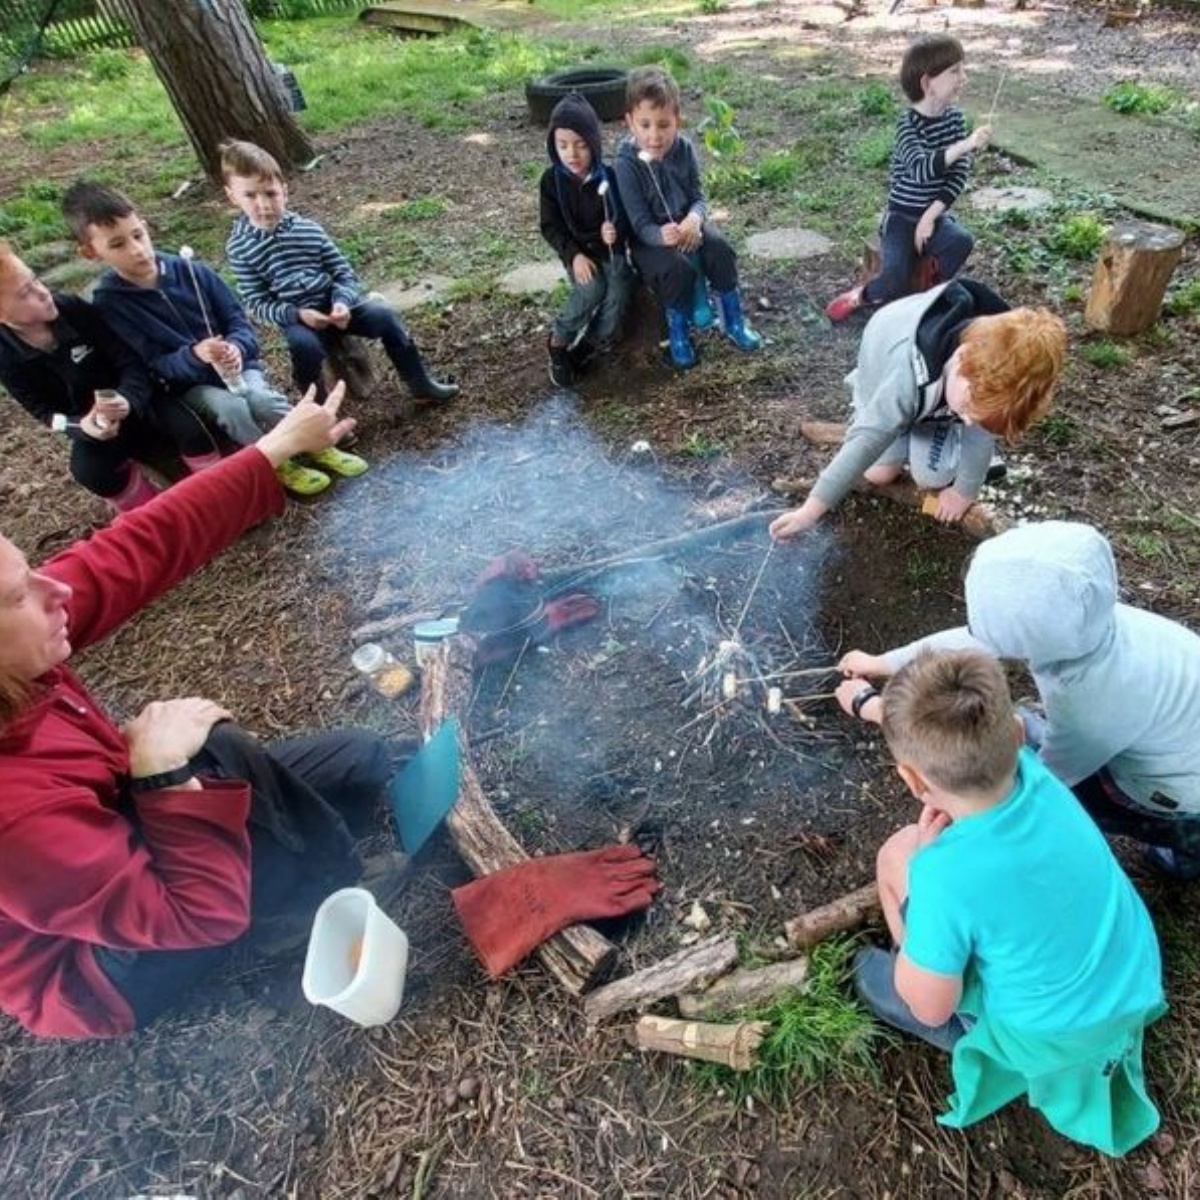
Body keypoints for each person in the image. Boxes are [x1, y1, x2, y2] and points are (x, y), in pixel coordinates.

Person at [0, 384, 409, 1040]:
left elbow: (137, 546)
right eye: (22, 594)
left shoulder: (17, 654)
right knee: (210, 758)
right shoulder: (11, 815)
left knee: (359, 760)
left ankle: (303, 867)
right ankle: (304, 906)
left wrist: (271, 451)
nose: (56, 591)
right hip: (95, 968)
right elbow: (190, 912)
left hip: (124, 824)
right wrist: (161, 779)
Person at [839, 649, 1164, 1155]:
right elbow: (960, 732)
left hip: (1054, 1038)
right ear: (1015, 733)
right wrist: (870, 705)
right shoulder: (1036, 772)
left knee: (897, 859)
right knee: (933, 870)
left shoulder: (944, 876)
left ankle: (955, 1010)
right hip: (1133, 979)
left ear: (912, 781)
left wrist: (926, 883)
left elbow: (929, 1008)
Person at [837, 520, 1200, 880]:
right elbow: (970, 639)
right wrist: (881, 663)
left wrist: (877, 709)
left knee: (1101, 806)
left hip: (1175, 789)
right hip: (1166, 735)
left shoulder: (1089, 707)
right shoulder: (1087, 620)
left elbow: (1044, 781)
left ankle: (1185, 854)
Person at [63, 180, 362, 498]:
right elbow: (150, 364)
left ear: (145, 226)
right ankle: (273, 461)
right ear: (91, 252)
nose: (137, 250)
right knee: (231, 409)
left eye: (138, 235)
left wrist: (236, 347)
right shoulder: (111, 303)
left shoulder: (192, 271)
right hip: (191, 386)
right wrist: (194, 356)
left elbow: (239, 322)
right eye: (117, 244)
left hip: (238, 367)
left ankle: (315, 444)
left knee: (261, 399)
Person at [769, 281, 1066, 538]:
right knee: (879, 473)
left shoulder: (988, 376)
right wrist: (808, 512)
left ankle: (916, 427)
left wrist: (965, 491)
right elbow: (865, 443)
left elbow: (979, 433)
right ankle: (892, 423)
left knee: (933, 479)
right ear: (961, 359)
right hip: (885, 369)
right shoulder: (907, 378)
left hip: (933, 398)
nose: (967, 420)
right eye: (965, 410)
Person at [219, 138, 458, 408]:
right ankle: (319, 412)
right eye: (250, 195)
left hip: (337, 308)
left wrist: (342, 301)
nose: (263, 205)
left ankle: (420, 384)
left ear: (284, 191)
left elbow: (343, 273)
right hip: (299, 318)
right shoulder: (239, 248)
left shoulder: (308, 229)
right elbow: (257, 302)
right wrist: (296, 314)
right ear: (232, 196)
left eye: (270, 193)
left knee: (386, 317)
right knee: (304, 349)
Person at [0, 241, 220, 515]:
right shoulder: (6, 355)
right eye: (25, 294)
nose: (42, 292)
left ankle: (220, 492)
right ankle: (155, 516)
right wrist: (82, 427)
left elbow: (129, 360)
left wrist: (128, 398)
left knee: (190, 427)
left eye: (35, 279)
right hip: (98, 425)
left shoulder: (72, 309)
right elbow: (45, 413)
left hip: (139, 399)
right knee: (89, 472)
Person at [826, 34, 990, 323]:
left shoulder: (954, 119)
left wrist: (930, 217)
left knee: (960, 241)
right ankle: (862, 295)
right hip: (901, 217)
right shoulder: (908, 125)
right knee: (895, 277)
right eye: (955, 71)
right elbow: (921, 168)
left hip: (933, 216)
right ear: (928, 83)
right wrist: (965, 145)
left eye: (962, 69)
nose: (963, 78)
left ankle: (927, 296)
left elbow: (957, 175)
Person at [613, 66, 762, 370]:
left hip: (688, 225)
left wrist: (695, 218)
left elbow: (698, 197)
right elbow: (639, 223)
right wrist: (661, 235)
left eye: (664, 125)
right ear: (629, 122)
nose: (654, 136)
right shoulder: (626, 164)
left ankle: (732, 320)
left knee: (720, 248)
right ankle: (679, 334)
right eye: (645, 125)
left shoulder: (684, 149)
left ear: (677, 121)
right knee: (676, 269)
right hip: (650, 239)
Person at [539, 92, 634, 389]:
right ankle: (559, 341)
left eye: (581, 145)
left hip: (608, 249)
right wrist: (574, 255)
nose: (572, 154)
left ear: (593, 143)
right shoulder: (551, 181)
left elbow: (624, 215)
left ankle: (589, 344)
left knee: (619, 286)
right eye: (563, 145)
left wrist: (615, 229)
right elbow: (550, 226)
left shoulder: (609, 176)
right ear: (554, 146)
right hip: (579, 252)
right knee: (592, 288)